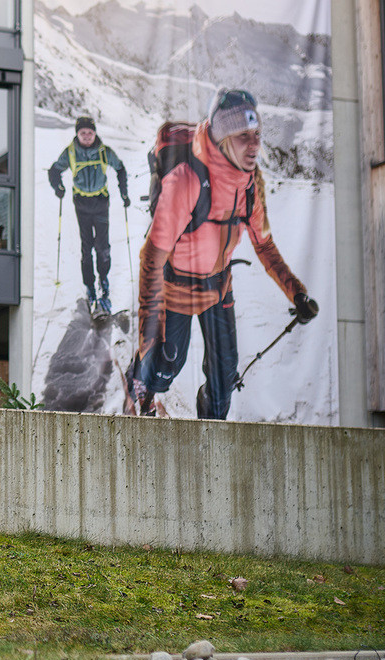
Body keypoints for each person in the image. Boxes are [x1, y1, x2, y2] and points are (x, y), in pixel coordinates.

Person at [127, 89, 318, 418]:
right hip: (176, 289)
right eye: (244, 136)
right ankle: (142, 382)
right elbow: (151, 258)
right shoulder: (187, 180)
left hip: (218, 288)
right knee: (165, 365)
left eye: (257, 134)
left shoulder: (249, 183)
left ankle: (209, 433)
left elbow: (264, 243)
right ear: (224, 137)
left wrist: (296, 292)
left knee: (224, 380)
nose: (255, 144)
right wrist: (148, 337)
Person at [48, 115, 131, 315]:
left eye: (90, 133)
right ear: (77, 134)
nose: (86, 136)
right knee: (87, 247)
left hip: (101, 202)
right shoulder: (70, 152)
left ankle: (104, 280)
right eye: (83, 133)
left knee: (102, 247)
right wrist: (57, 187)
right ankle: (90, 286)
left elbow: (120, 169)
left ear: (95, 133)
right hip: (82, 204)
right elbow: (54, 171)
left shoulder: (104, 152)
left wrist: (124, 193)